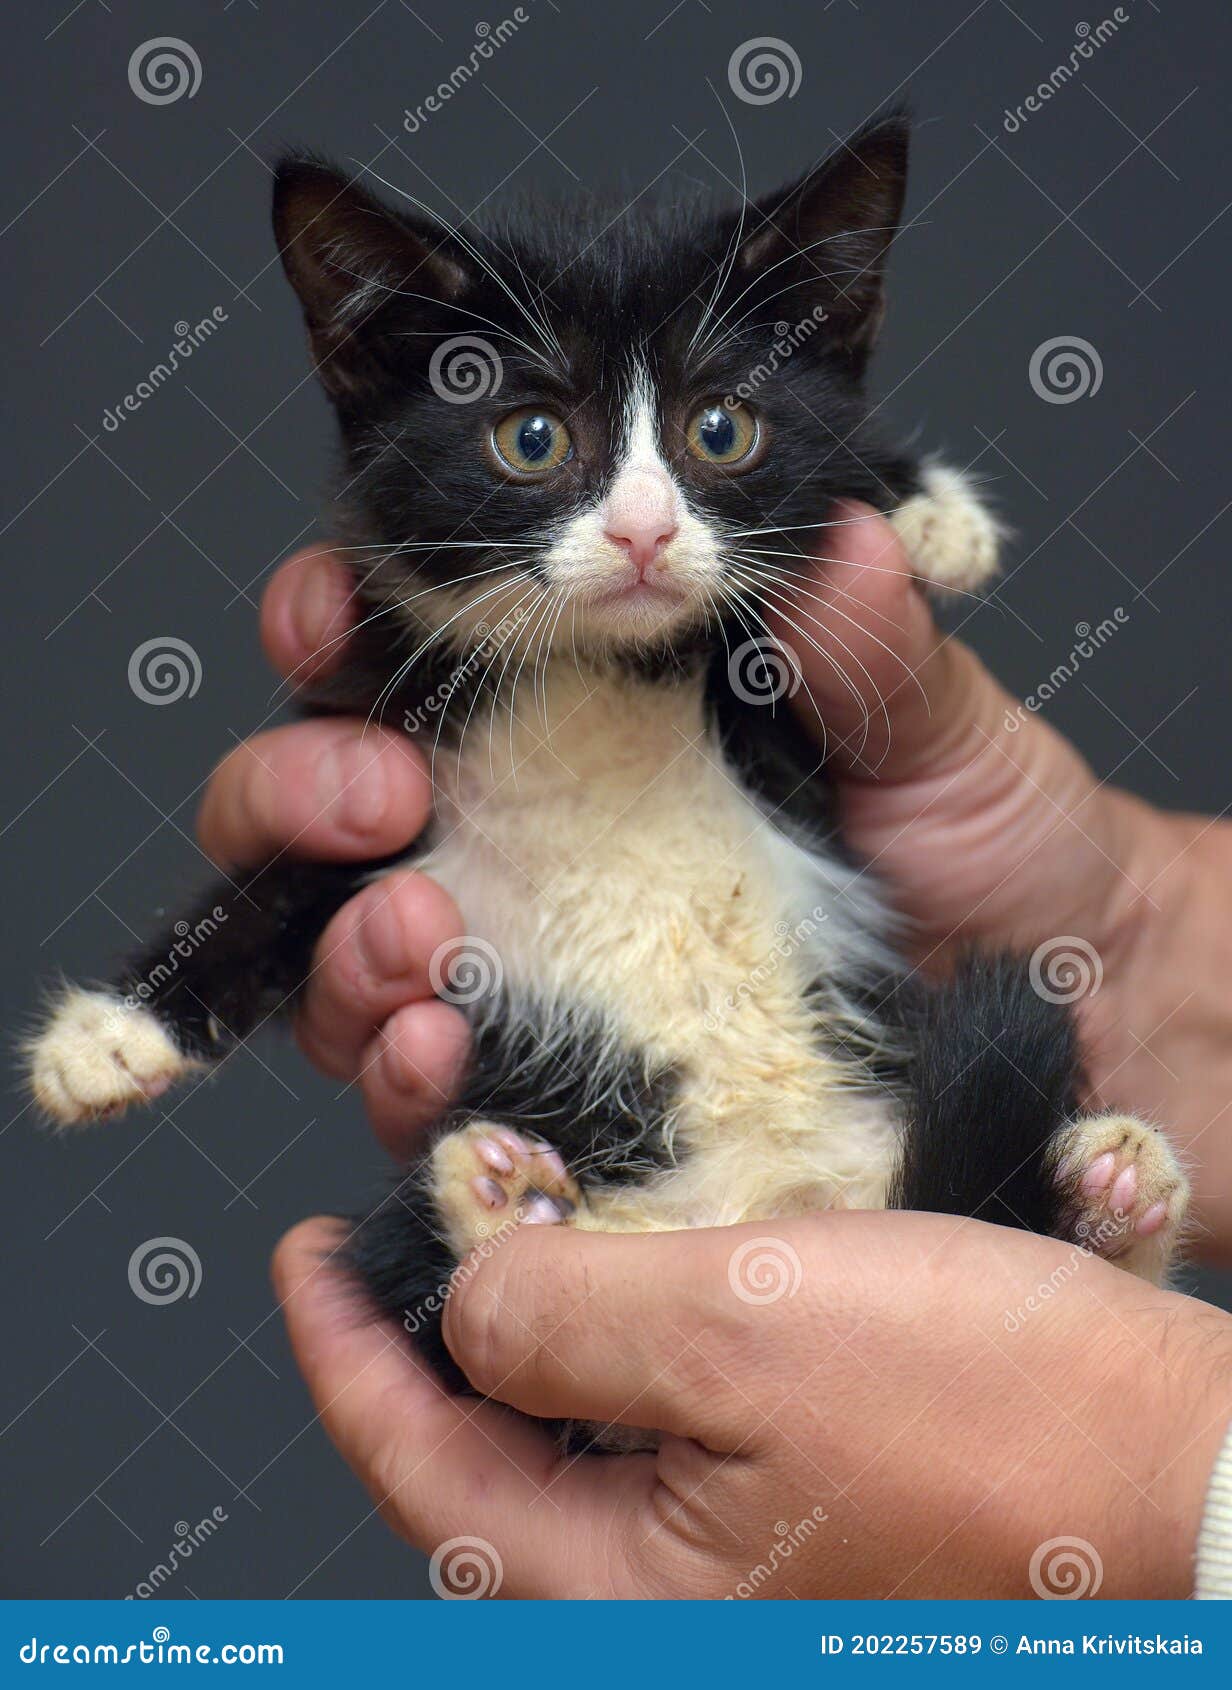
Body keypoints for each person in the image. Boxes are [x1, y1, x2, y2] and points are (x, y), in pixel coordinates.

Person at [197, 507, 1232, 1599]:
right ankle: (1050, 1234)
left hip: (822, 1164)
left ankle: (582, 1264)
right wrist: (1129, 927)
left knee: (985, 1061)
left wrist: (1162, 1470)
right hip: (752, 1171)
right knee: (979, 1071)